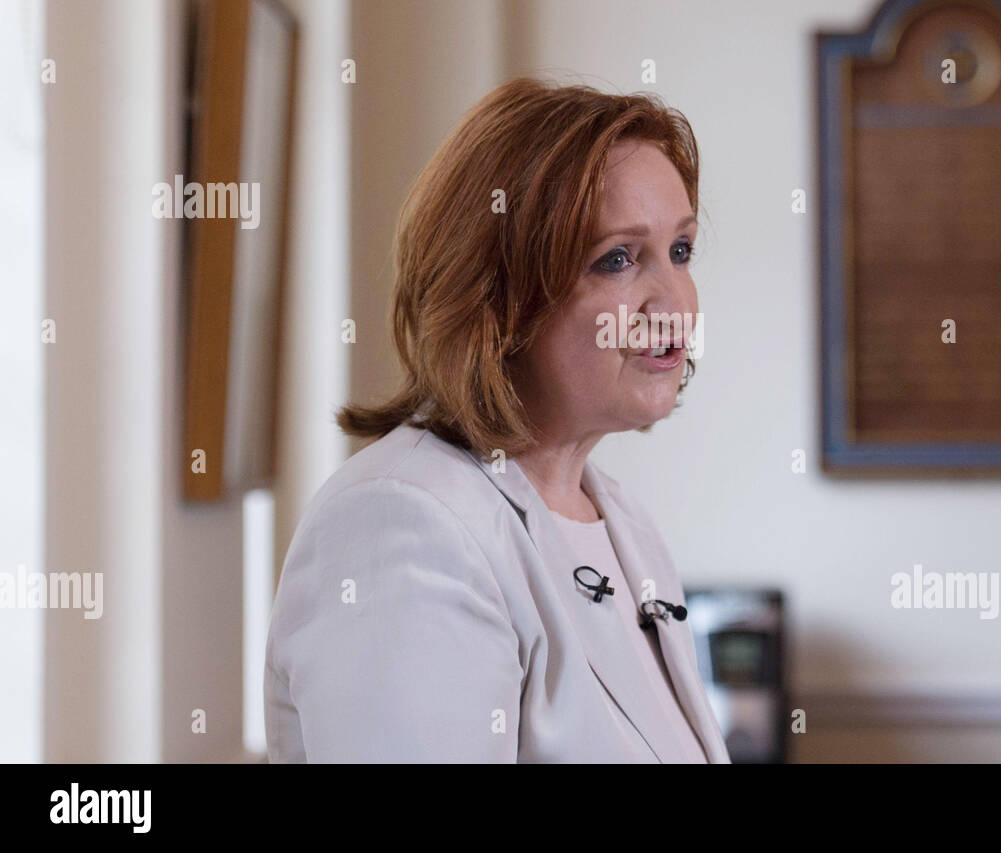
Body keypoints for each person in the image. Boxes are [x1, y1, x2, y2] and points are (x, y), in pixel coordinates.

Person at [264, 76, 730, 762]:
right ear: (500, 294)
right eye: (618, 259)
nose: (674, 303)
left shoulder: (623, 523)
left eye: (680, 250)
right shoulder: (398, 525)